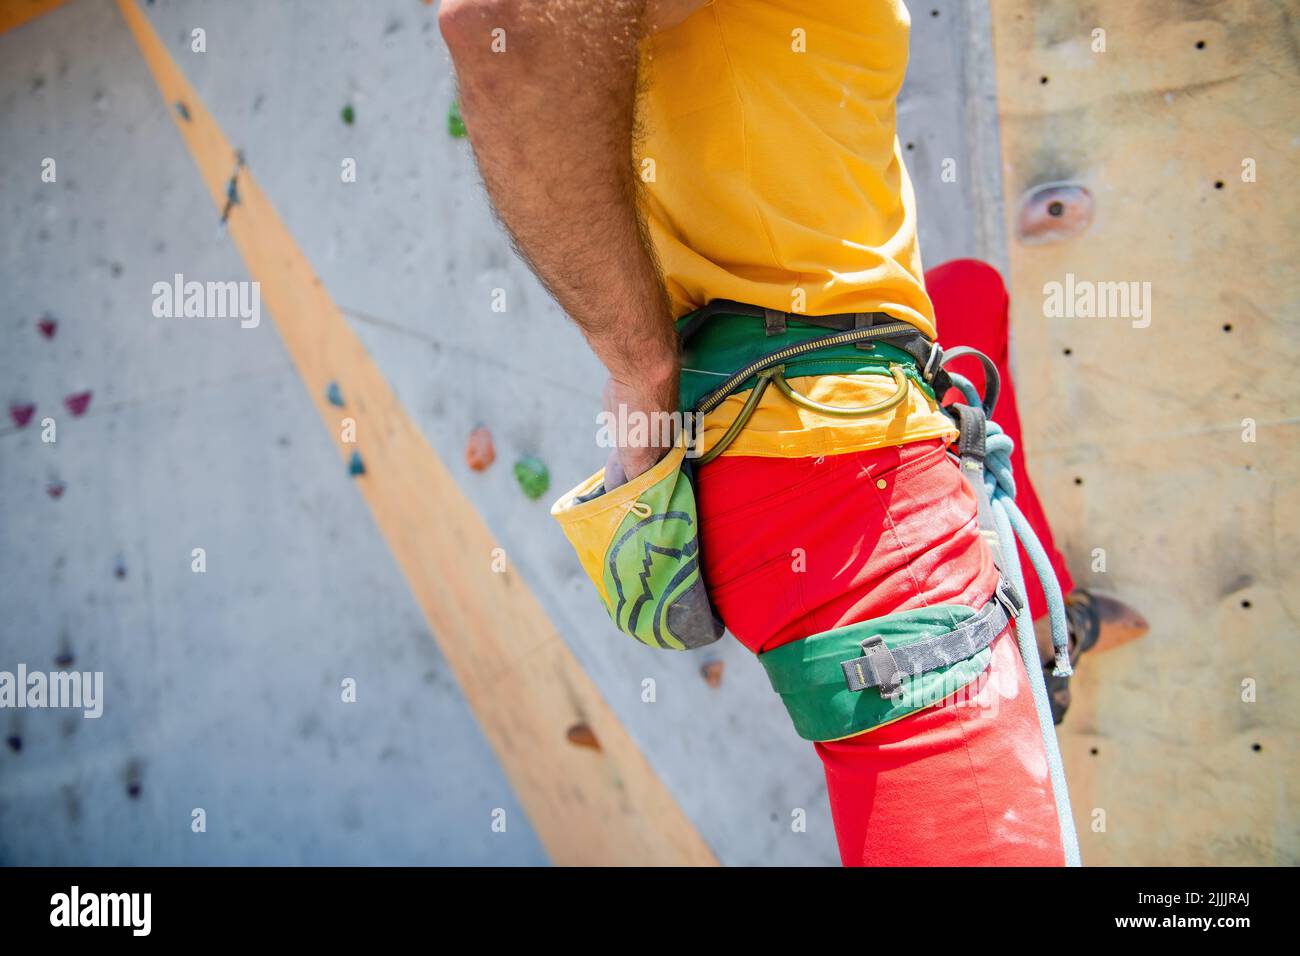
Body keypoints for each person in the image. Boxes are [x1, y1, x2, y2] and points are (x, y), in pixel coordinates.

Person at [442, 0, 1139, 865]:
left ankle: (1042, 615)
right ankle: (1043, 619)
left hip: (811, 466)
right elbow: (503, 24)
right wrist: (637, 369)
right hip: (848, 483)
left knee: (970, 293)